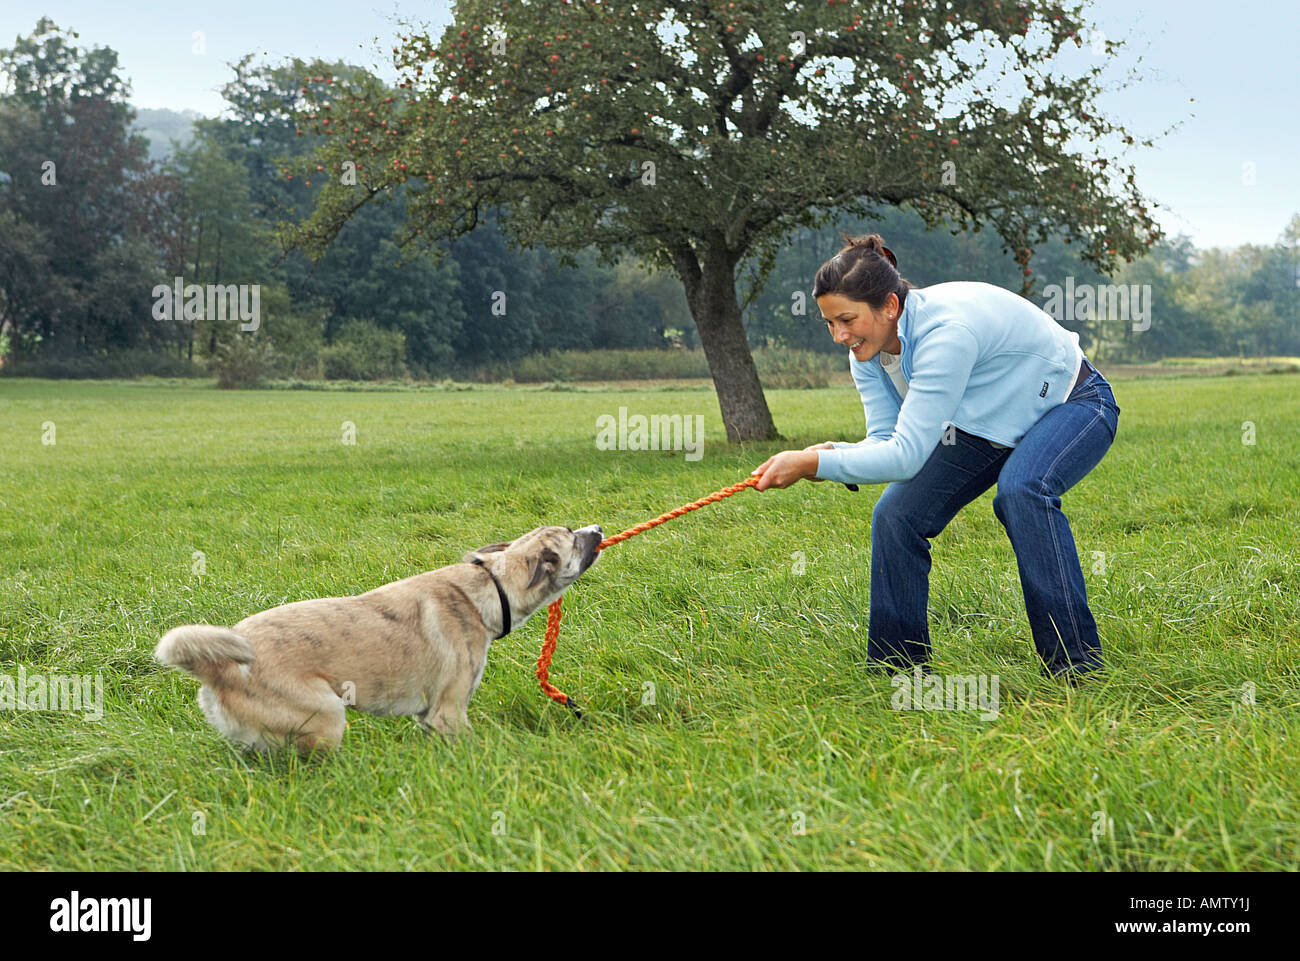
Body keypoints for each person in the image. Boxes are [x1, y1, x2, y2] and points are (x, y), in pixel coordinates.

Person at [751, 233, 1120, 679]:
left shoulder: (946, 334)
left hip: (1073, 401)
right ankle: (897, 668)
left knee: (1022, 491)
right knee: (896, 514)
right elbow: (887, 439)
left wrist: (814, 464)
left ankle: (1076, 665)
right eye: (829, 323)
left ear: (889, 306)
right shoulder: (865, 353)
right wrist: (830, 453)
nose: (839, 336)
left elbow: (905, 458)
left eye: (846, 320)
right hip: (987, 425)